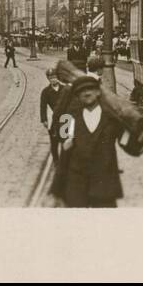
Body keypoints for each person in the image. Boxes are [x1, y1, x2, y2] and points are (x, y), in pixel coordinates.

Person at [50, 74, 123, 208]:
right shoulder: (69, 116)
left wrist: (139, 135)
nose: (87, 92)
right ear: (77, 96)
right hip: (76, 183)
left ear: (98, 92)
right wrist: (58, 189)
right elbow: (64, 149)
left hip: (103, 183)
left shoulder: (111, 117)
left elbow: (127, 141)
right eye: (81, 91)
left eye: (90, 89)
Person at [40, 68, 63, 161]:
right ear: (48, 79)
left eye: (54, 77)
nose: (53, 79)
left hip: (65, 119)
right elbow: (43, 106)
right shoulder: (45, 91)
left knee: (66, 141)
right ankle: (56, 161)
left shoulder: (64, 89)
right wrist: (44, 119)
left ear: (58, 77)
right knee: (54, 143)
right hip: (53, 120)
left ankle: (65, 162)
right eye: (51, 78)